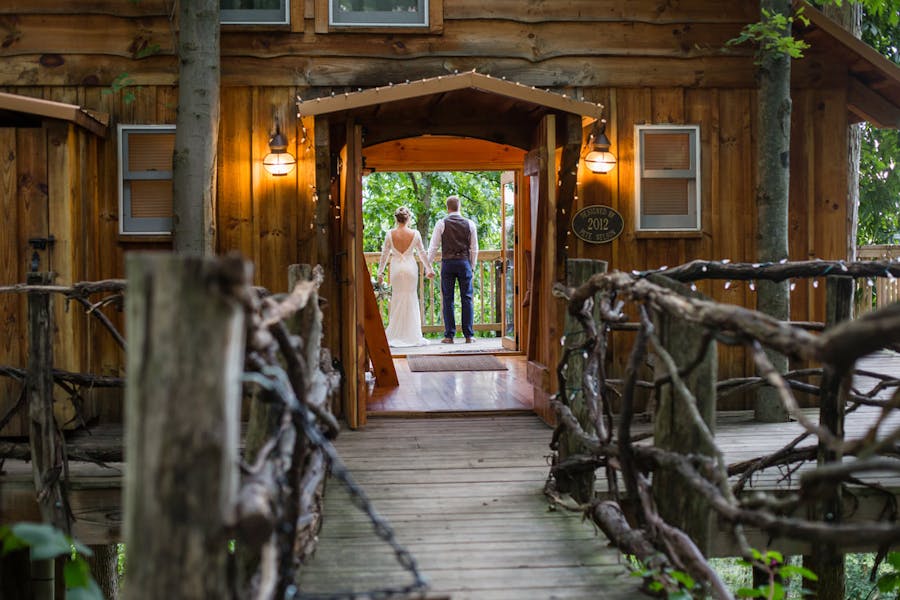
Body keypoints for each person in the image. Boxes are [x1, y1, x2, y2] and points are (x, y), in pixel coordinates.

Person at [376, 206, 434, 347]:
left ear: (396, 219)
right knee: (410, 298)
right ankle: (412, 335)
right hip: (410, 269)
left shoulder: (390, 234)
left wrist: (380, 272)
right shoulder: (415, 234)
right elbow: (422, 253)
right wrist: (429, 269)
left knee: (397, 298)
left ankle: (396, 334)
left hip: (396, 269)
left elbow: (384, 255)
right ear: (408, 219)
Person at [427, 195, 478, 344]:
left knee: (448, 299)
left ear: (447, 208)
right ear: (459, 207)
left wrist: (428, 265)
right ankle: (469, 335)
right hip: (464, 262)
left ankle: (449, 335)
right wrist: (472, 266)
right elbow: (474, 248)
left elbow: (433, 247)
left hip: (448, 263)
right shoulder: (470, 224)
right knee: (467, 298)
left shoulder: (441, 223)